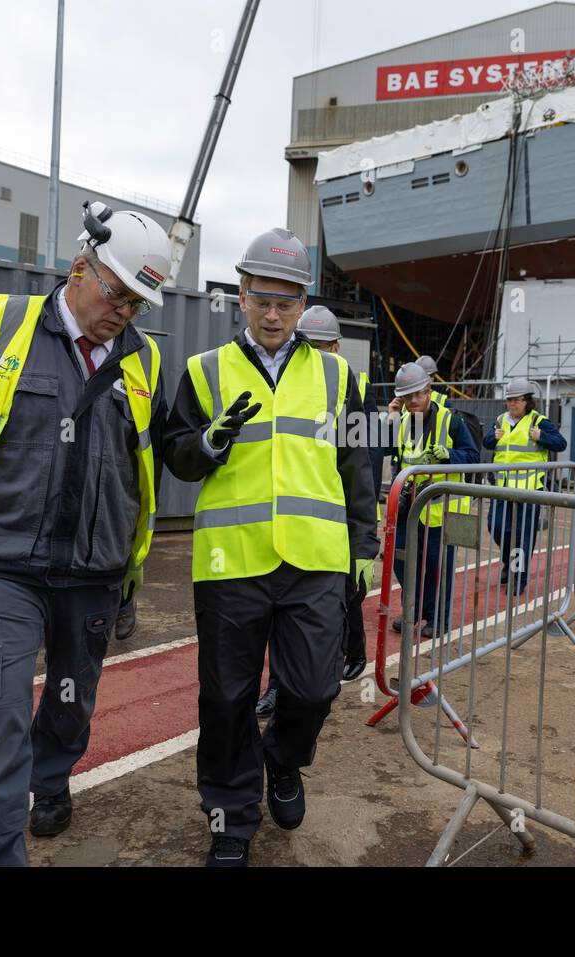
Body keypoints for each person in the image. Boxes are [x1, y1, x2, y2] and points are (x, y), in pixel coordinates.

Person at [0, 202, 169, 866]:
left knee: (71, 704)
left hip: (96, 571)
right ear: (82, 267)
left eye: (138, 303)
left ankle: (50, 777)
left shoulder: (145, 363)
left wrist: (133, 553)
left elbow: (155, 461)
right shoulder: (4, 329)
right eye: (118, 293)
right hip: (6, 565)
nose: (124, 312)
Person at [163, 228, 379, 867]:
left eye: (287, 302)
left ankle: (283, 761)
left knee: (312, 689)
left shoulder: (339, 377)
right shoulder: (204, 373)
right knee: (227, 698)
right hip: (232, 565)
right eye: (262, 300)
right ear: (242, 296)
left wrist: (363, 548)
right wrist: (205, 445)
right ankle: (230, 817)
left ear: (303, 299)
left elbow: (357, 467)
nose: (275, 314)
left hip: (315, 562)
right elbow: (175, 453)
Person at [256, 305, 382, 719]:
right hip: (290, 526)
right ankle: (279, 685)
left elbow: (361, 464)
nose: (316, 353)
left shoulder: (350, 385)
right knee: (284, 615)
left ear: (336, 346)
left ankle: (352, 654)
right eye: (309, 345)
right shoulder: (283, 381)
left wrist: (363, 535)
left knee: (348, 595)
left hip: (334, 521)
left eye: (323, 346)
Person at [388, 361, 478, 638]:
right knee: (401, 560)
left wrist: (450, 455)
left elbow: (473, 457)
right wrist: (389, 419)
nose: (414, 401)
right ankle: (413, 610)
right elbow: (382, 452)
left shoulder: (451, 421)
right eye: (407, 396)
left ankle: (437, 617)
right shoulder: (401, 421)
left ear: (429, 391)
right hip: (409, 508)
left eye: (418, 394)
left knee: (438, 566)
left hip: (443, 510)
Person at [484, 377, 566, 593]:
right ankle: (508, 562)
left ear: (527, 401)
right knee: (496, 527)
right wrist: (492, 437)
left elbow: (560, 443)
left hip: (529, 490)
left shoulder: (539, 422)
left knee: (523, 535)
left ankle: (517, 579)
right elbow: (486, 442)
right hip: (502, 488)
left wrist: (542, 436)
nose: (512, 404)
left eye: (517, 400)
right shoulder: (501, 420)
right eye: (510, 400)